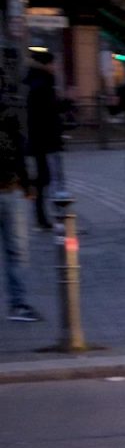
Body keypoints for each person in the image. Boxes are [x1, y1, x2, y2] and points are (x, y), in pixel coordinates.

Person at [0, 104, 39, 321]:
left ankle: (19, 303)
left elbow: (19, 151)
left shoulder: (9, 114)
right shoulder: (9, 113)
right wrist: (27, 185)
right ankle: (19, 304)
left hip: (12, 189)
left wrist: (26, 183)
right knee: (17, 252)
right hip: (11, 190)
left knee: (17, 251)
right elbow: (20, 152)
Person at [23, 51, 63, 230]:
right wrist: (66, 102)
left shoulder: (34, 82)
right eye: (54, 63)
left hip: (38, 139)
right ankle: (51, 216)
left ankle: (44, 216)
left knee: (44, 179)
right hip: (45, 140)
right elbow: (48, 112)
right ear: (47, 65)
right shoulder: (43, 84)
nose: (56, 67)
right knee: (48, 179)